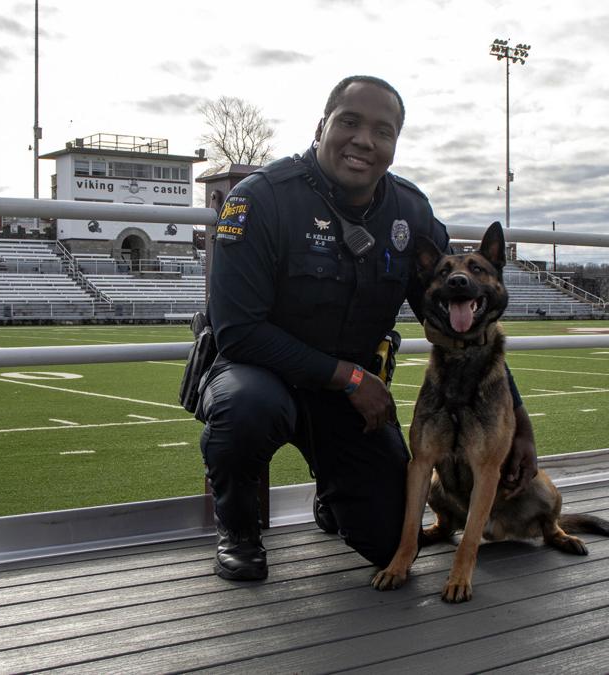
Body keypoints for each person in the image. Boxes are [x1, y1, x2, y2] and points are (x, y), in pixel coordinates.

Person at [198, 75, 539, 581]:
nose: (364, 140)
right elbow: (238, 333)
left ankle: (333, 490)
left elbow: (457, 321)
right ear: (322, 126)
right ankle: (239, 528)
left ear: (394, 146)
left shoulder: (409, 210)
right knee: (245, 408)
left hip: (346, 395)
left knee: (389, 543)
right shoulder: (261, 199)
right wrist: (352, 379)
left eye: (383, 131)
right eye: (350, 123)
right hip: (262, 374)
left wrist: (518, 416)